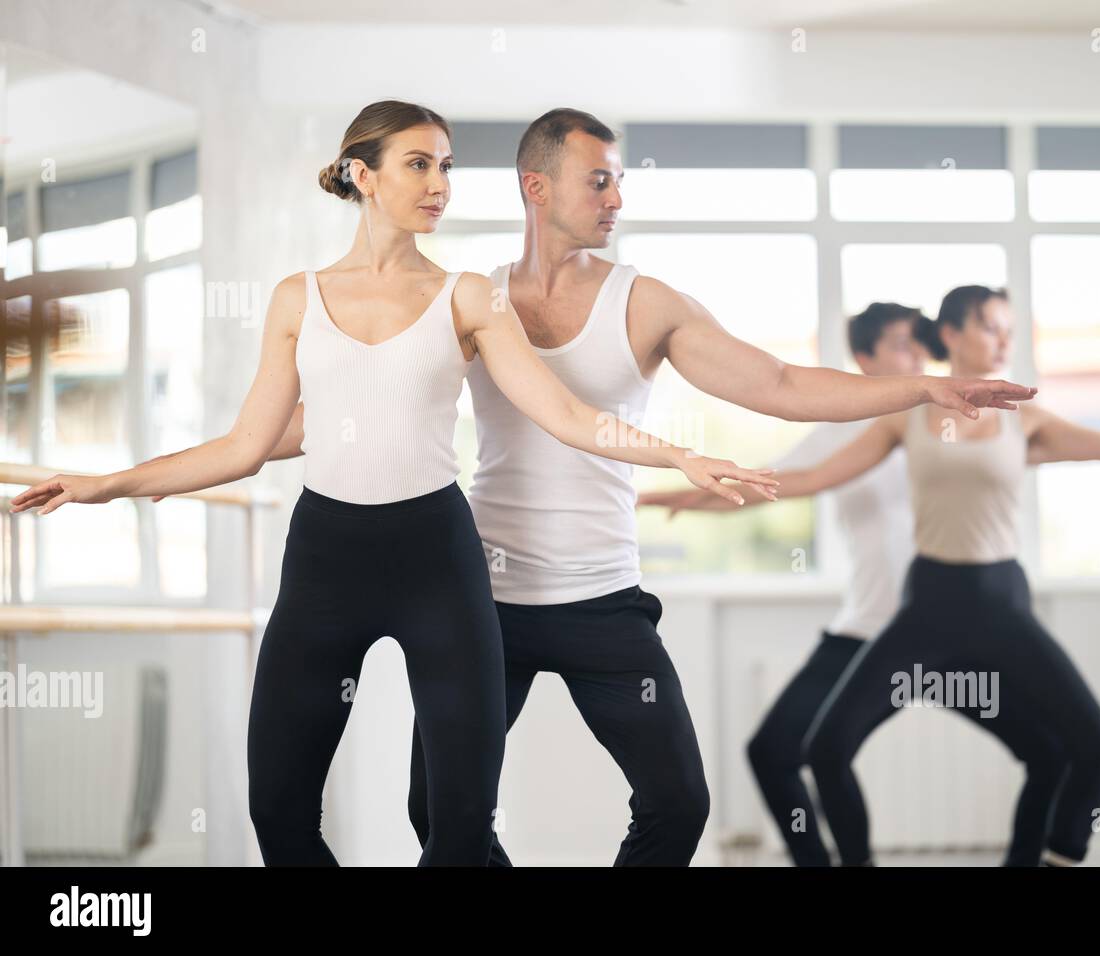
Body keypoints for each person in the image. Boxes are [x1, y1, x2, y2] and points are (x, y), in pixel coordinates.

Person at [8, 100, 778, 867]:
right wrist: (108, 483)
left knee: (458, 826)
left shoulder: (470, 296)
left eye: (446, 165)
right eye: (418, 164)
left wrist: (678, 454)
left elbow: (566, 413)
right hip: (323, 564)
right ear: (360, 174)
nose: (439, 182)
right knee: (276, 811)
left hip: (438, 564)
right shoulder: (296, 298)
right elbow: (247, 445)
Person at [262, 109, 1037, 866]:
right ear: (537, 187)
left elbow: (777, 381)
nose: (617, 200)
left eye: (620, 182)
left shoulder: (646, 303)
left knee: (678, 803)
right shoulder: (468, 298)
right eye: (599, 182)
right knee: (436, 812)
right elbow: (362, 404)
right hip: (485, 598)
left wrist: (921, 390)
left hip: (603, 600)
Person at [642, 284, 1100, 866]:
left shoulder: (1027, 422)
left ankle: (1055, 856)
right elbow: (809, 478)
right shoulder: (904, 415)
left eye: (1009, 328)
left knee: (1091, 745)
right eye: (990, 325)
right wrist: (701, 482)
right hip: (928, 606)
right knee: (825, 746)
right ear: (950, 334)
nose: (1004, 338)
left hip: (1001, 604)